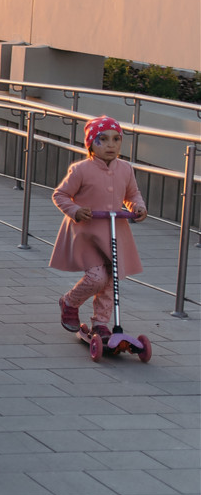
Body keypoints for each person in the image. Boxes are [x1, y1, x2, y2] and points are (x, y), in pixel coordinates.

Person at [50, 117, 148, 334]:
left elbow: (132, 194)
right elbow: (61, 195)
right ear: (91, 144)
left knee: (111, 280)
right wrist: (75, 211)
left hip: (114, 231)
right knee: (97, 278)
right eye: (102, 140)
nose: (111, 145)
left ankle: (101, 323)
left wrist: (138, 207)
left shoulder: (125, 169)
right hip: (87, 234)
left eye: (116, 139)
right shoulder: (81, 170)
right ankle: (70, 302)